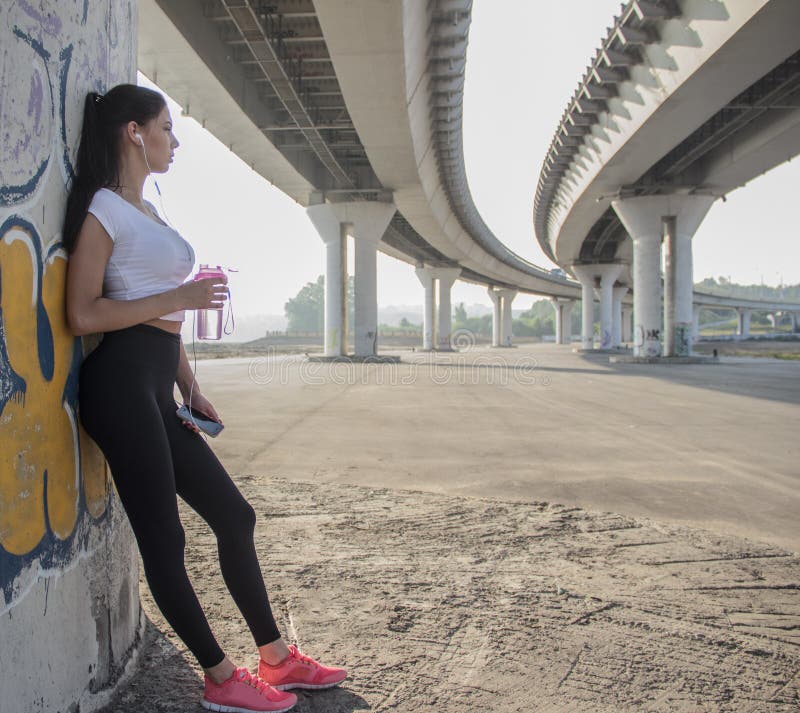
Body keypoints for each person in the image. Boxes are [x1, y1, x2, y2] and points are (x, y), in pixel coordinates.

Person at [63, 84, 346, 713]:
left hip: (158, 387)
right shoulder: (105, 209)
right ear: (134, 132)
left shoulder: (149, 212)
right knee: (166, 543)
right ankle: (220, 678)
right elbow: (82, 314)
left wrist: (191, 386)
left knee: (234, 516)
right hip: (119, 387)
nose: (175, 140)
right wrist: (179, 300)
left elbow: (164, 317)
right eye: (167, 127)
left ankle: (275, 661)